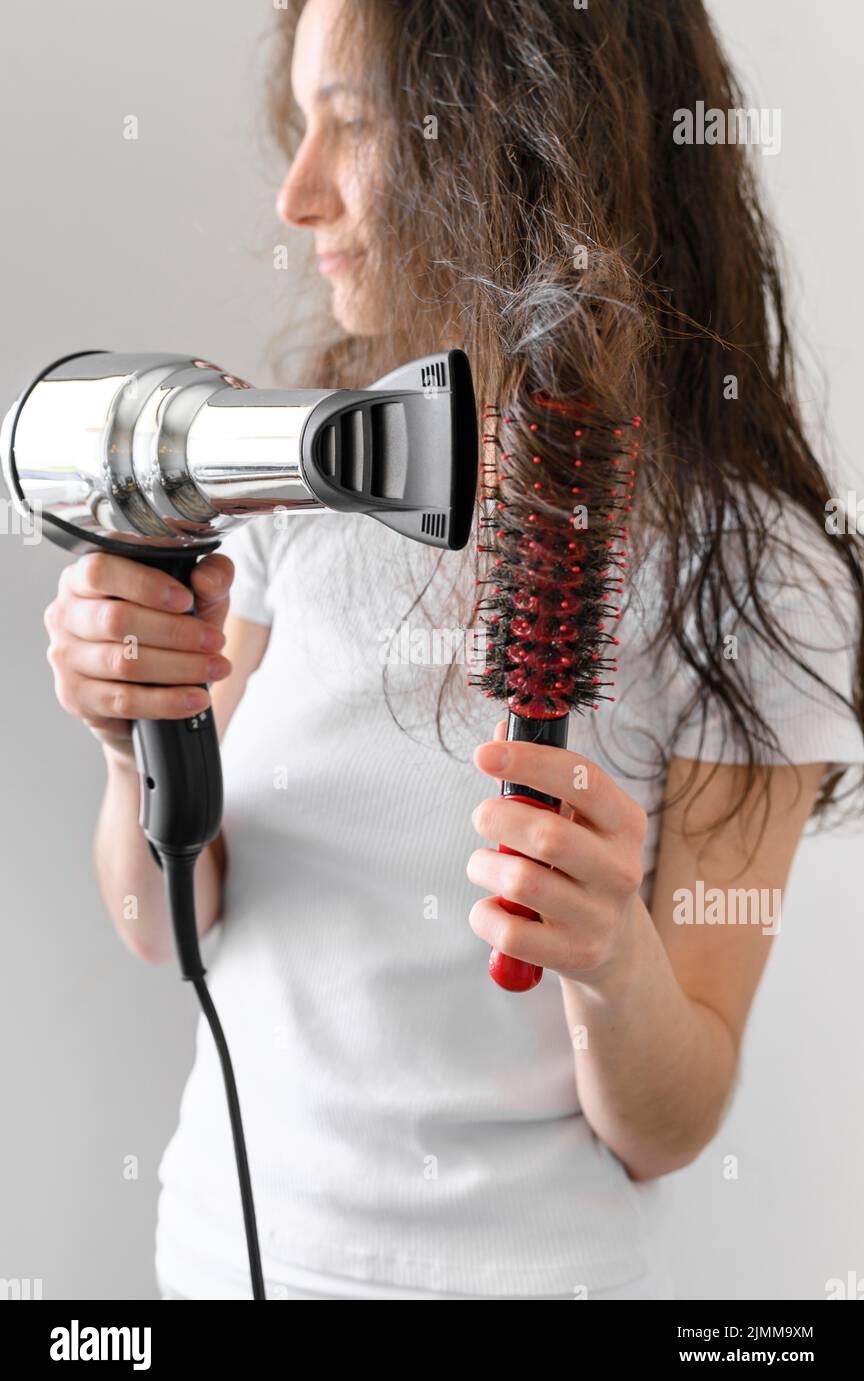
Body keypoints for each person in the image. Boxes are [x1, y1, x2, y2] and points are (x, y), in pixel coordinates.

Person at [42, 0, 864, 1300]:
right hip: (222, 1254)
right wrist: (132, 740)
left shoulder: (756, 580)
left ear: (527, 142)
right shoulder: (294, 485)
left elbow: (672, 1118)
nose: (297, 196)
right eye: (298, 126)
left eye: (352, 127)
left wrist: (611, 959)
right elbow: (166, 927)